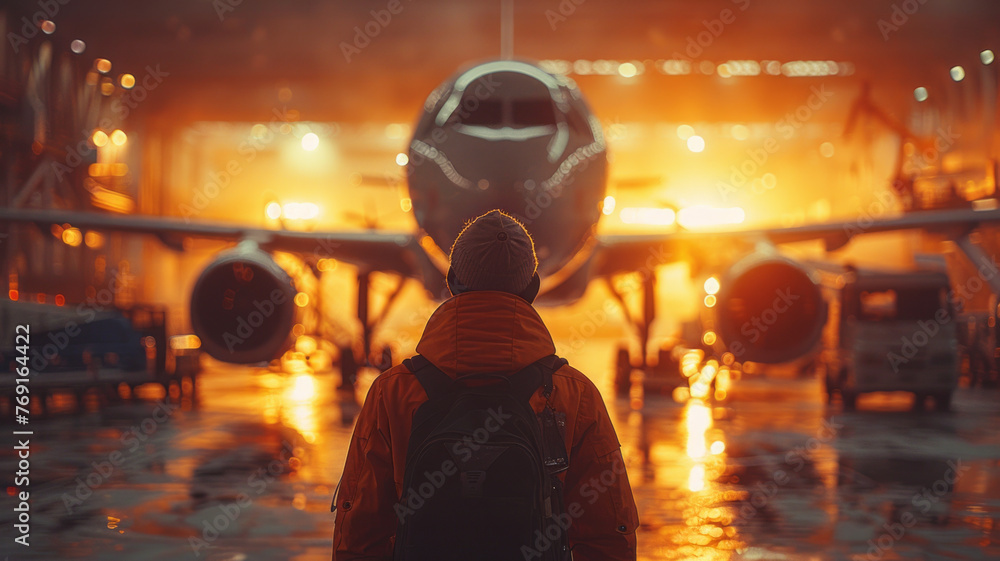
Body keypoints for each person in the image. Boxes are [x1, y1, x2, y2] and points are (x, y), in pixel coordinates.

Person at [332, 209, 639, 560]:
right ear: (533, 287)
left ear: (451, 280)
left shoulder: (393, 392)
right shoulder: (574, 394)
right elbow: (609, 535)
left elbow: (359, 534)